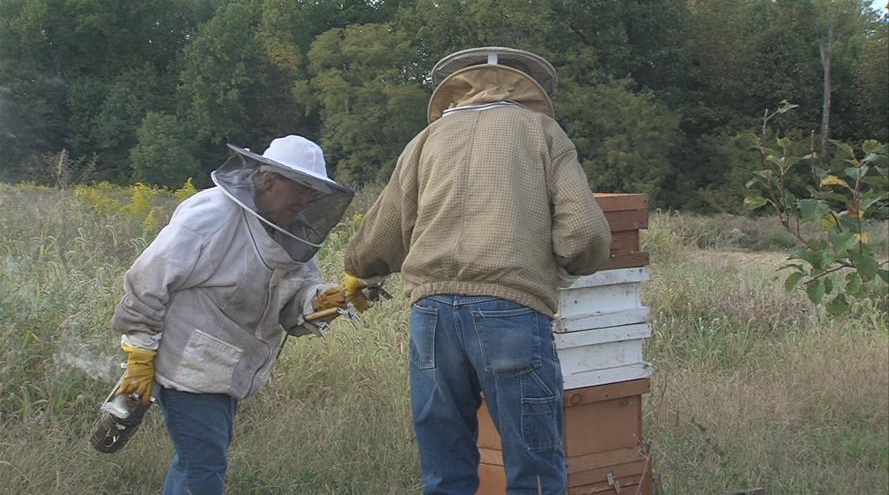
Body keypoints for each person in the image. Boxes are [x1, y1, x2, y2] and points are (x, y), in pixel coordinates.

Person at [343, 47, 612, 494]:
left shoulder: (426, 140)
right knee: (535, 468)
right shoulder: (543, 132)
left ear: (457, 87)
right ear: (528, 86)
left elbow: (375, 243)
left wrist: (360, 267)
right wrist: (567, 266)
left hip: (430, 316)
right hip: (511, 309)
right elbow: (584, 235)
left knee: (445, 465)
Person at [112, 135, 355, 495]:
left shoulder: (293, 233)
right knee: (204, 470)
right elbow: (147, 280)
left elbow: (291, 306)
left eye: (313, 193)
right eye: (302, 188)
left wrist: (320, 303)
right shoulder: (211, 215)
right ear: (268, 180)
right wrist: (140, 355)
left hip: (225, 371)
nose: (307, 201)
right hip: (187, 367)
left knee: (196, 461)